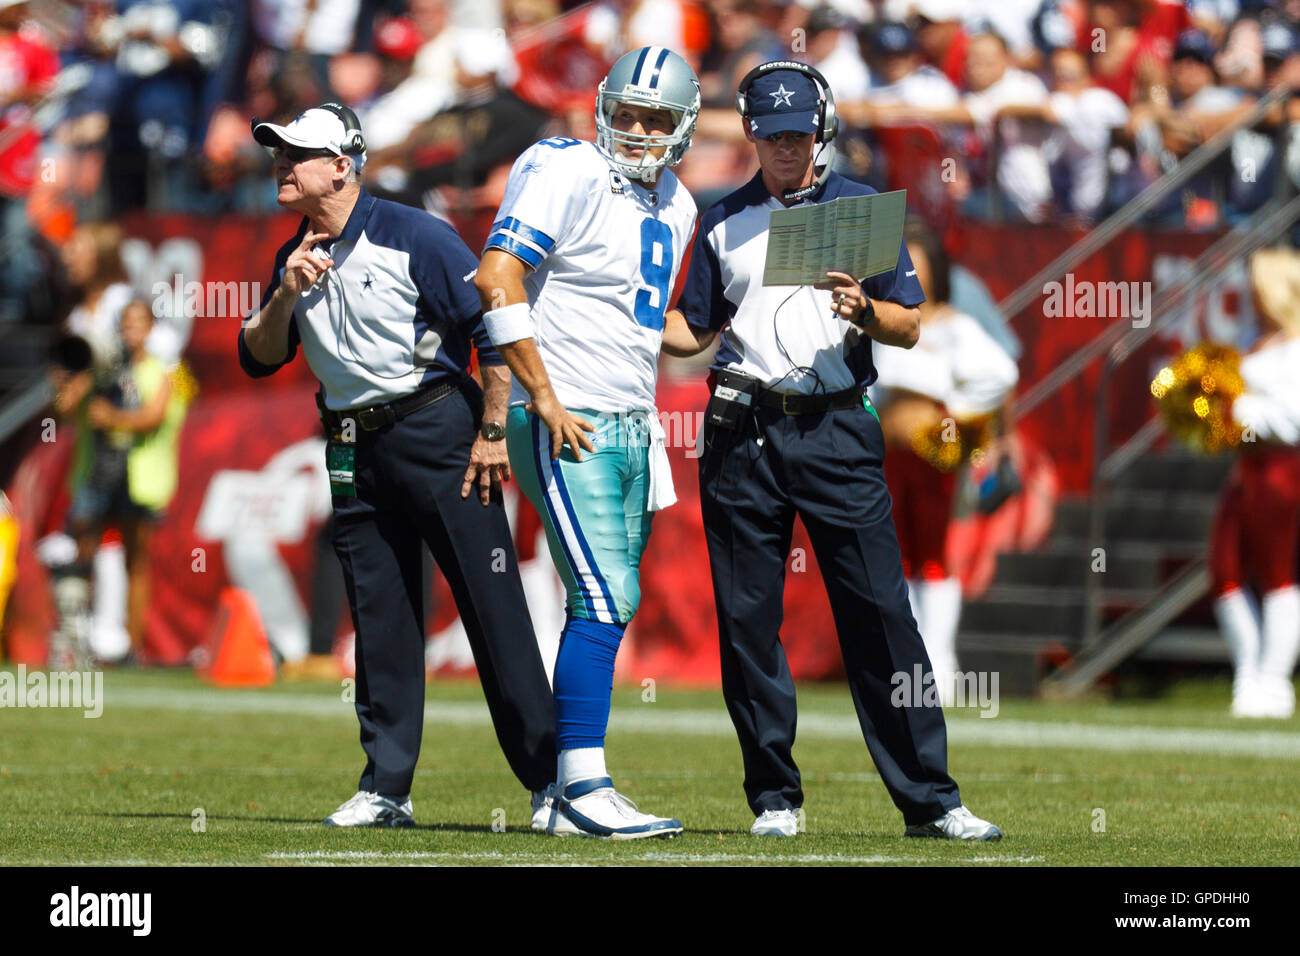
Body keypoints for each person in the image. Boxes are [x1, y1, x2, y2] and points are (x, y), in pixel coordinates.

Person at [662, 60, 1002, 841]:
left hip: (836, 425)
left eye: (799, 133)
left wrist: (867, 310)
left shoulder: (860, 211)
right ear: (752, 134)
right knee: (748, 620)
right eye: (772, 134)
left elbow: (911, 323)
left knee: (883, 616)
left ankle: (932, 800)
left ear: (822, 130)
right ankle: (774, 798)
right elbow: (696, 330)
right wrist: (632, 319)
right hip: (741, 428)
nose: (787, 147)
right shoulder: (720, 219)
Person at [238, 103, 558, 828]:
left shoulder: (415, 234)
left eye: (296, 155)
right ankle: (386, 787)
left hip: (439, 431)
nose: (280, 167)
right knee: (379, 618)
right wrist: (286, 293)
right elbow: (257, 357)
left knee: (493, 608)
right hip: (353, 443)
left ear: (341, 164)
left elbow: (493, 326)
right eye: (276, 155)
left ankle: (549, 783)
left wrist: (492, 430)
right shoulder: (291, 255)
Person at [473, 46, 700, 839]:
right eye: (627, 113)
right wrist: (534, 399)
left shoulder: (679, 203)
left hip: (634, 420)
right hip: (570, 414)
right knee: (603, 598)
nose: (636, 131)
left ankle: (567, 788)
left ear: (683, 127)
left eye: (655, 119)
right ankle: (579, 787)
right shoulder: (564, 165)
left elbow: (646, 322)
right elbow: (497, 277)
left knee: (606, 601)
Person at [872, 223, 1019, 704]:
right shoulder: (887, 320)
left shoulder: (953, 325)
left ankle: (940, 666)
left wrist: (952, 414)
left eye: (918, 265)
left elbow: (1001, 374)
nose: (910, 275)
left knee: (934, 555)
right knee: (902, 559)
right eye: (902, 265)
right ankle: (909, 666)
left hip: (933, 456)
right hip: (889, 455)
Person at [1210, 246, 1300, 720]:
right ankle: (1249, 671)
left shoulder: (1297, 346)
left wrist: (1244, 413)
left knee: (1277, 572)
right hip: (1245, 470)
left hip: (1282, 470)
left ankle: (1275, 680)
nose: (1251, 294)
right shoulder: (1250, 338)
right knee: (1223, 568)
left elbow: (1292, 419)